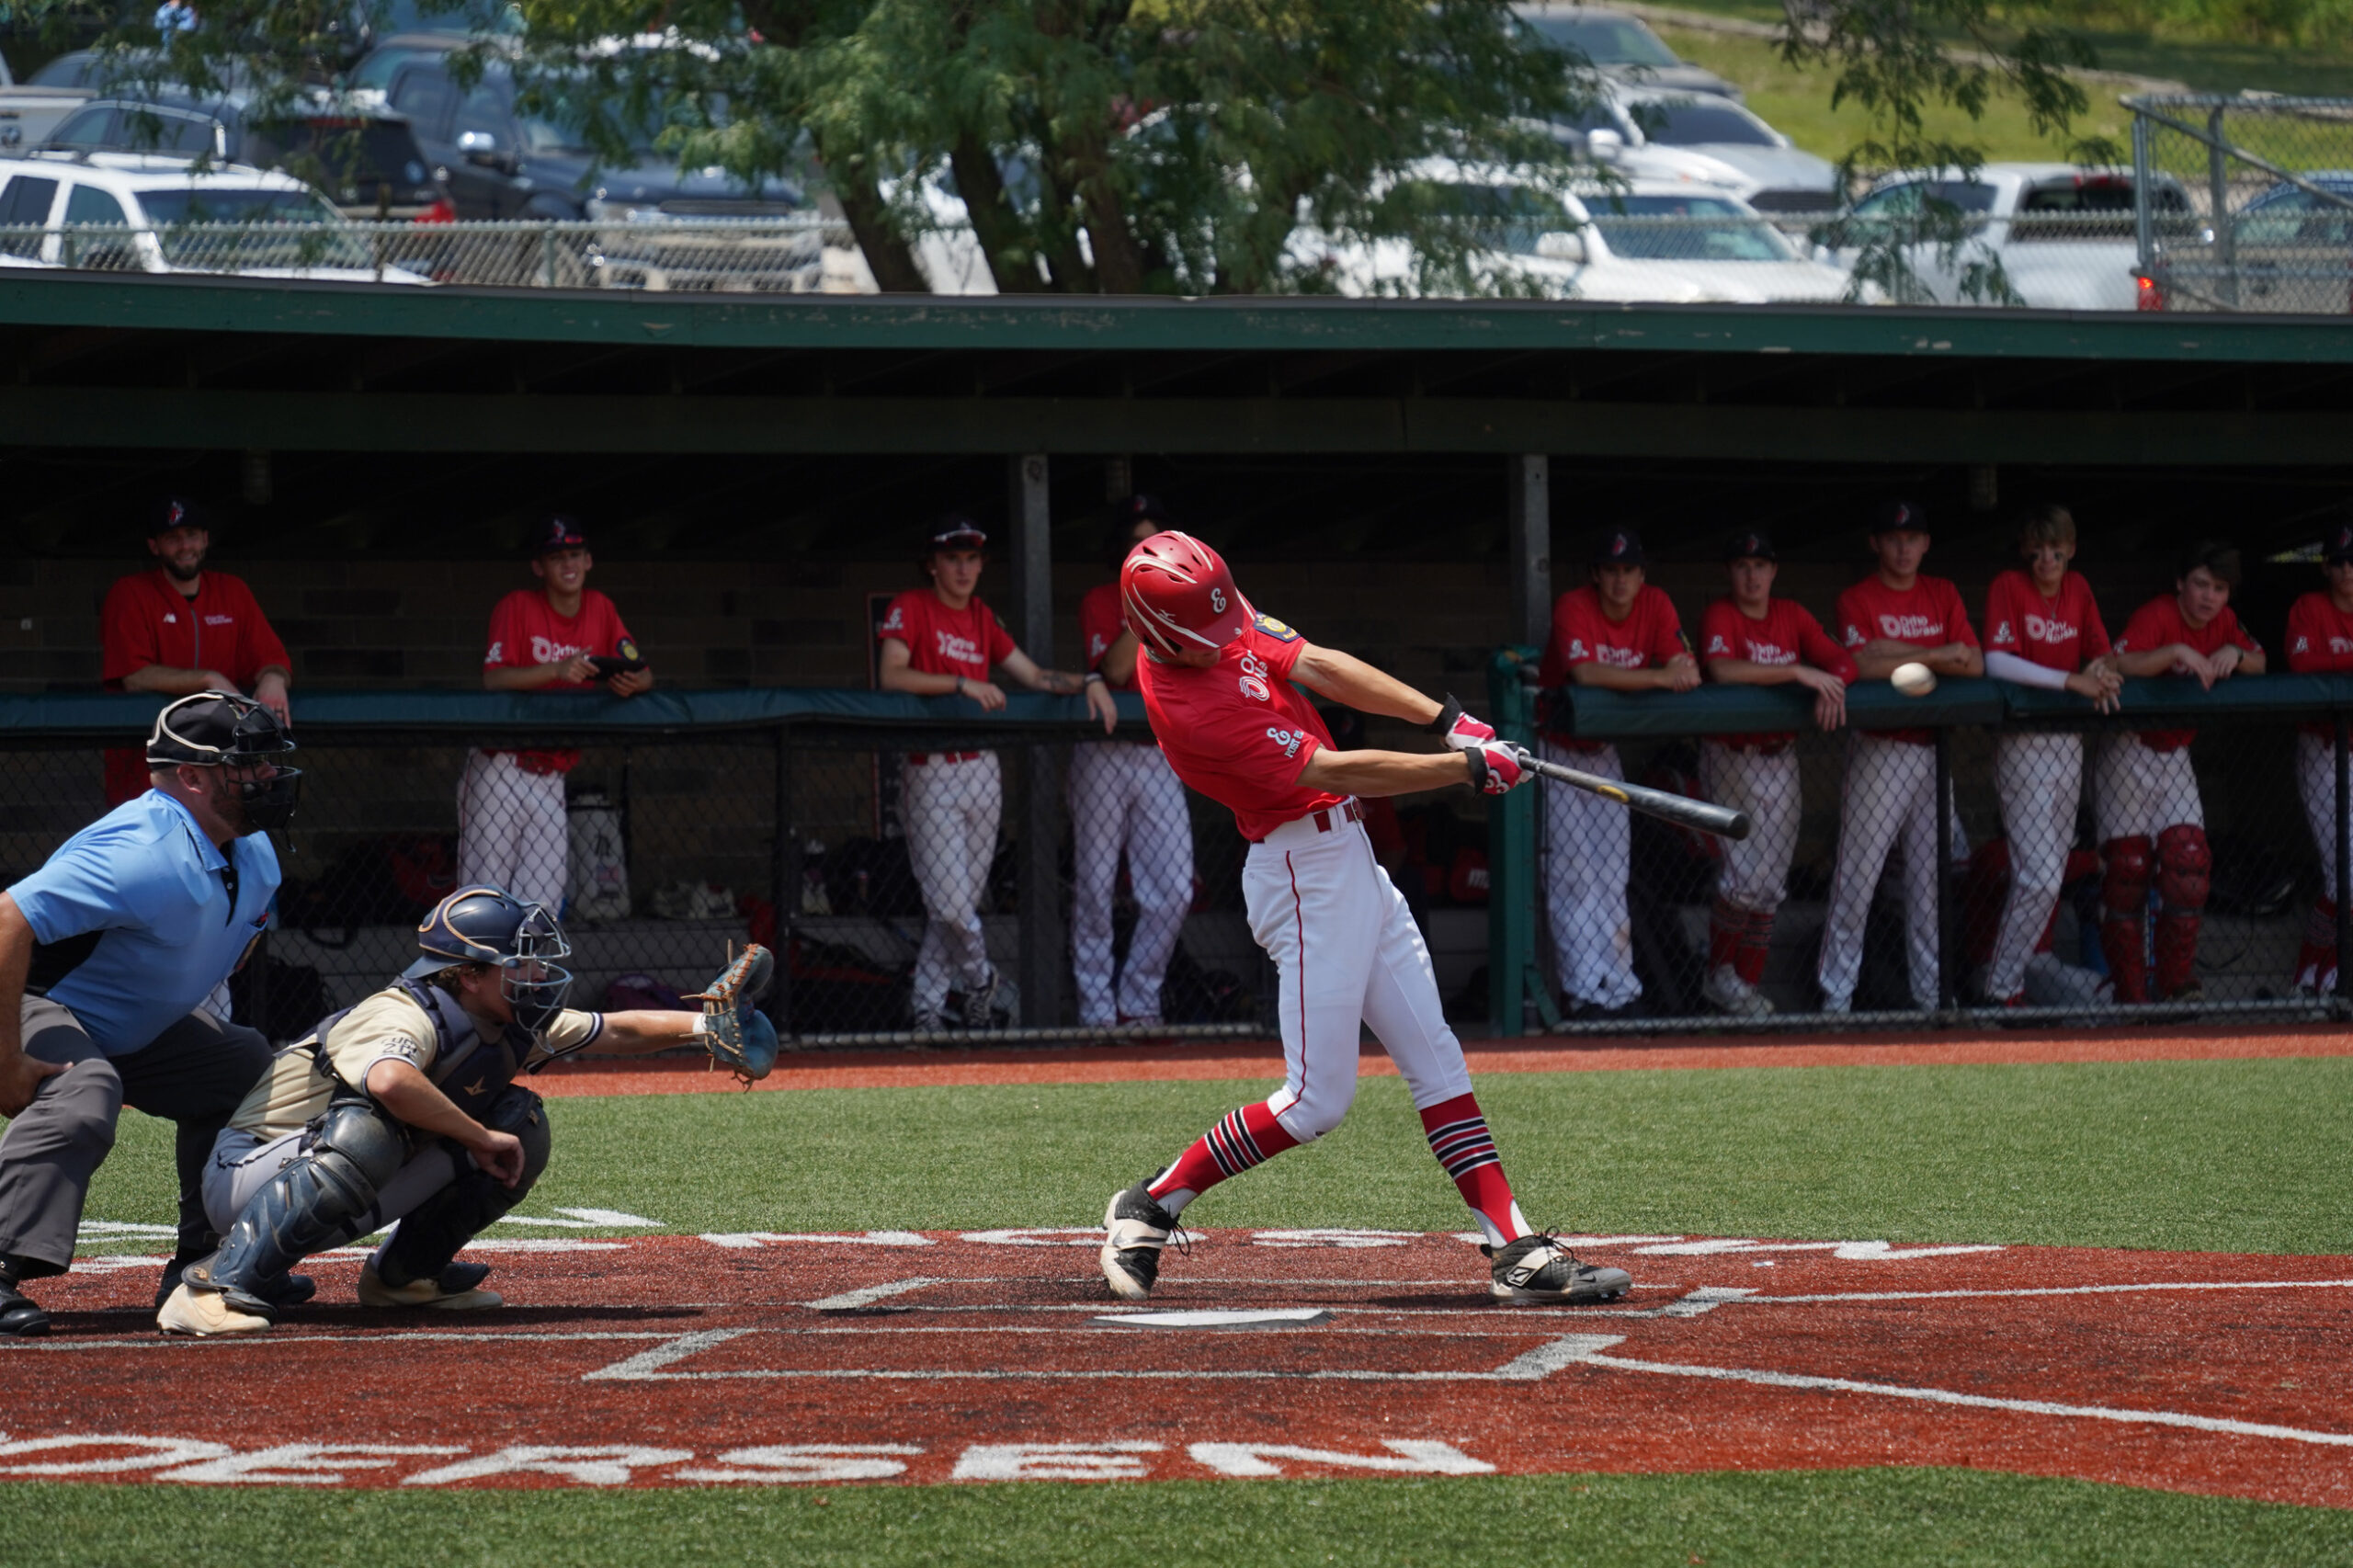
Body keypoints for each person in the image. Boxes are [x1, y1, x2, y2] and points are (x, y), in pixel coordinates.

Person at [1097, 530, 1631, 1305]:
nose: (1227, 640)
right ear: (1154, 632)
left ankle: (1515, 1249)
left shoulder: (1214, 612)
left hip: (1347, 860)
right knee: (1318, 1101)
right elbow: (1331, 767)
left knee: (1437, 1059)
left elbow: (1314, 662)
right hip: (1301, 873)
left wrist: (1449, 719)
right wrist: (1464, 770)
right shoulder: (1189, 708)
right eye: (1206, 637)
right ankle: (1152, 1204)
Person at [158, 887, 770, 1335]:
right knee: (376, 1125)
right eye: (519, 963)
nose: (537, 974)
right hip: (244, 1176)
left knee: (518, 1124)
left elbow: (619, 1030)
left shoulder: (505, 1017)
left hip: (316, 1167)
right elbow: (392, 1081)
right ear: (469, 975)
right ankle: (215, 1285)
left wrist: (705, 1026)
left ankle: (401, 1279)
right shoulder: (401, 1013)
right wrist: (477, 1137)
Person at [0, 692, 297, 1336]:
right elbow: (7, 919)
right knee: (85, 1090)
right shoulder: (140, 848)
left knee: (246, 1065)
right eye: (247, 764)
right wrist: (6, 1058)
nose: (268, 776)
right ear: (191, 777)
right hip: (32, 1002)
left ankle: (208, 1259)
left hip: (118, 1023)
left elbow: (229, 940)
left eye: (268, 761)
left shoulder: (254, 850)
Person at [877, 516, 1114, 1030]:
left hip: (982, 770)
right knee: (952, 902)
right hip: (930, 771)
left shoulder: (983, 616)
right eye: (952, 559)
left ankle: (927, 1009)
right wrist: (961, 683)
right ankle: (983, 977)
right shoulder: (911, 607)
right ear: (933, 565)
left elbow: (1032, 675)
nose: (963, 569)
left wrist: (1090, 679)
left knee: (957, 904)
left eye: (972, 559)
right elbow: (891, 674)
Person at [1817, 501, 1984, 1015]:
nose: (1903, 547)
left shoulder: (1943, 592)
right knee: (1858, 878)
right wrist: (1935, 653)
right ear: (1876, 543)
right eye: (1892, 538)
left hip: (1933, 749)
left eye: (1912, 537)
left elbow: (1974, 663)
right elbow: (1861, 662)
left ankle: (1933, 997)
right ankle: (1835, 998)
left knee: (1930, 884)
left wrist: (1899, 649)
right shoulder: (1857, 597)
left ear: (1926, 543)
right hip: (1881, 750)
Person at [1537, 527, 1698, 1020]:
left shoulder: (1655, 605)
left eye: (1629, 571)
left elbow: (1686, 665)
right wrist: (1656, 677)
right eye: (1611, 570)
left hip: (1603, 753)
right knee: (1573, 875)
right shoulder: (1574, 606)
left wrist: (1671, 669)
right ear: (1596, 575)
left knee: (1611, 874)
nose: (1620, 580)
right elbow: (1585, 675)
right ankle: (1584, 992)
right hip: (1556, 750)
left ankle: (1620, 989)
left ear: (1641, 575)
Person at [1696, 528, 1857, 1017]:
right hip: (1731, 757)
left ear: (1773, 571)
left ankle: (1745, 983)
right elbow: (1723, 669)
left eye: (1760, 566)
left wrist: (1830, 686)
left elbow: (1842, 662)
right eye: (1742, 566)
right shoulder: (1721, 614)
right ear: (1731, 572)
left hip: (1780, 758)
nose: (1752, 575)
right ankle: (1720, 975)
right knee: (1743, 879)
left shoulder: (1791, 615)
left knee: (1771, 883)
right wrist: (1796, 671)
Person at [2098, 540, 2266, 1004]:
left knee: (2189, 867)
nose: (2209, 597)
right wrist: (2175, 652)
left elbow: (2262, 660)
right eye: (2200, 584)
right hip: (2128, 752)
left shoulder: (2225, 622)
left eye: (2219, 588)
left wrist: (2236, 652)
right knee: (2129, 872)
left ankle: (2175, 989)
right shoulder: (2157, 614)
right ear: (2179, 583)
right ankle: (2130, 998)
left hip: (2175, 757)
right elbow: (2117, 662)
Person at [458, 517, 653, 914]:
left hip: (553, 774)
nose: (569, 564)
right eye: (557, 556)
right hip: (501, 767)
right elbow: (494, 679)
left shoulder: (600, 608)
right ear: (538, 567)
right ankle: (480, 976)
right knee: (485, 903)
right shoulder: (517, 606)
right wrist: (557, 670)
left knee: (541, 907)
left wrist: (637, 683)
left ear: (589, 561)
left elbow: (643, 669)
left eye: (576, 555)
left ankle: (526, 978)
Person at [1977, 505, 2122, 1008]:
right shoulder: (2007, 587)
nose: (2046, 561)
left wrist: (2102, 672)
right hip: (2022, 741)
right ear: (2025, 552)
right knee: (2038, 874)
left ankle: (2008, 980)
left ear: (2070, 551)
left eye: (2055, 552)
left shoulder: (2077, 589)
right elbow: (1996, 660)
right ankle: (2000, 988)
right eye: (2037, 552)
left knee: (2051, 872)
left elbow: (2099, 650)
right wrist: (2071, 680)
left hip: (2068, 742)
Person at [1074, 496, 1197, 1035]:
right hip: (1103, 752)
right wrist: (1149, 603)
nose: (1149, 554)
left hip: (1160, 751)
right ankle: (1096, 1007)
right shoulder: (1102, 600)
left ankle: (1140, 999)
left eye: (1157, 544)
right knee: (1095, 885)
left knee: (1174, 890)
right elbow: (1117, 665)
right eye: (1137, 546)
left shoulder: (1187, 601)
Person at [100, 497, 292, 808]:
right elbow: (134, 676)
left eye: (191, 535)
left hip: (224, 769)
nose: (184, 546)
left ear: (205, 539)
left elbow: (270, 657)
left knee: (224, 846)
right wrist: (208, 678)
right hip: (150, 769)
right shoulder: (131, 593)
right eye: (172, 538)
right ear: (154, 546)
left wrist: (274, 678)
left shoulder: (232, 592)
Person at [2284, 521, 2353, 995]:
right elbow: (2303, 667)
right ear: (2326, 567)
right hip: (2324, 748)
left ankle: (2325, 974)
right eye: (2341, 562)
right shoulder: (2309, 607)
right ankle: (2312, 973)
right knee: (2342, 877)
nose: (2349, 571)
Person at [1961, 837, 2109, 1010]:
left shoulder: (2050, 858)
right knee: (2087, 1000)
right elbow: (2022, 878)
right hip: (1997, 965)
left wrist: (2094, 862)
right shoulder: (1993, 854)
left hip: (2040, 962)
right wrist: (2089, 861)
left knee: (2106, 989)